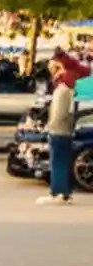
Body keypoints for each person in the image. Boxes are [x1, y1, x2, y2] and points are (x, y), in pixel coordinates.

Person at [39, 52, 91, 204]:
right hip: (64, 130)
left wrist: (51, 127)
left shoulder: (63, 90)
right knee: (61, 162)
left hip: (59, 131)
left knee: (57, 163)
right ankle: (63, 193)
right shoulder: (67, 88)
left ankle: (58, 193)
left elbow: (60, 114)